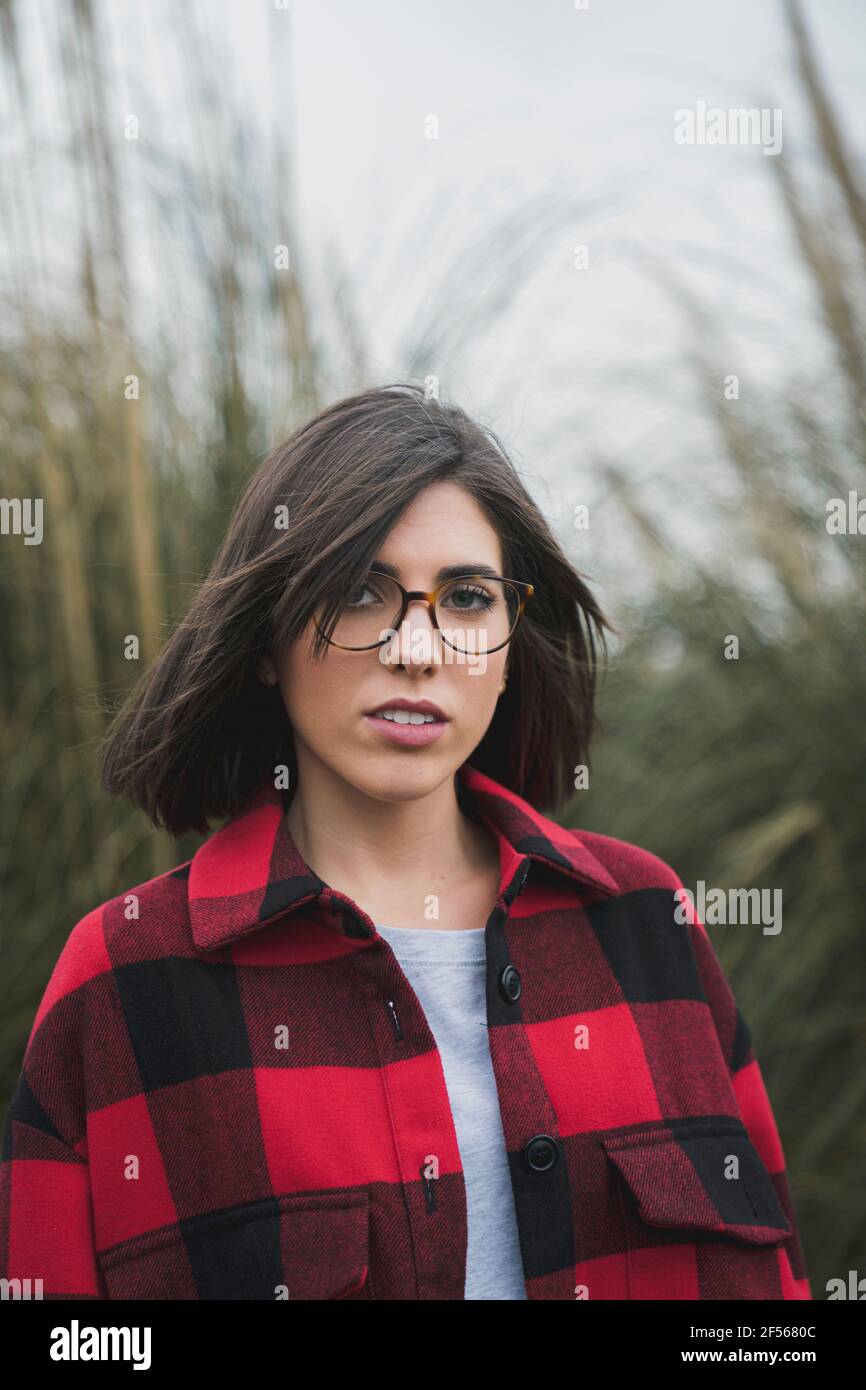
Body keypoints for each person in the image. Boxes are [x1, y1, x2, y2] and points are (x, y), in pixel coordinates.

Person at [0, 383, 811, 1300]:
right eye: (357, 591)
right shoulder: (126, 978)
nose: (418, 649)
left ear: (509, 643)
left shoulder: (646, 923)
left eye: (466, 598)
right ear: (265, 639)